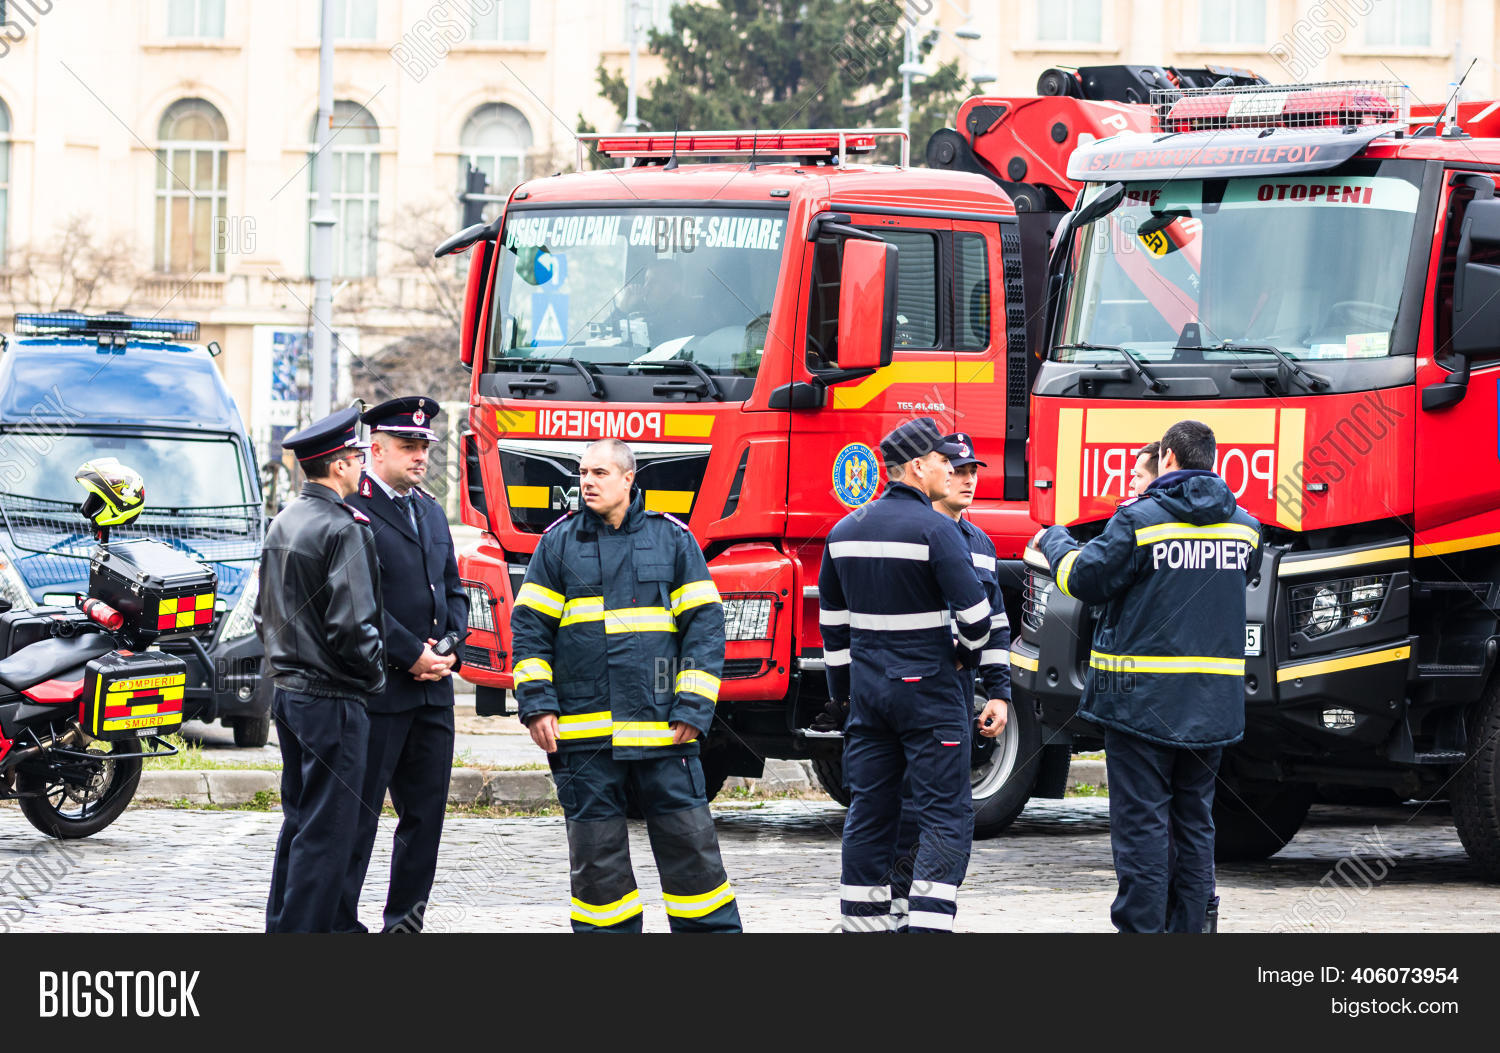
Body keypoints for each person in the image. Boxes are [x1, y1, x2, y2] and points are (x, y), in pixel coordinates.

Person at [1035, 420, 1261, 933]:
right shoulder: (1245, 527)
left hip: (1141, 707)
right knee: (1195, 824)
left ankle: (1143, 934)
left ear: (1168, 458)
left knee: (1143, 827)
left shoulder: (1139, 520)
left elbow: (1083, 579)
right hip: (1213, 709)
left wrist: (1055, 541)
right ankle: (1192, 930)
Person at [510, 438, 741, 933]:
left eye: (599, 473)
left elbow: (704, 627)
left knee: (693, 859)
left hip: (664, 734)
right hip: (585, 738)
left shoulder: (672, 540)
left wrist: (693, 704)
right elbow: (529, 629)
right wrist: (537, 703)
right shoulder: (557, 544)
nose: (587, 482)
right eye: (582, 473)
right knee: (598, 871)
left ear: (628, 478)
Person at [819, 417, 993, 934]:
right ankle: (927, 928)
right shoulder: (938, 530)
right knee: (944, 815)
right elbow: (978, 620)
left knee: (870, 813)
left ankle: (864, 928)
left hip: (869, 697)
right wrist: (966, 657)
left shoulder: (843, 531)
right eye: (942, 461)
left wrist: (844, 697)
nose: (950, 470)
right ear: (918, 467)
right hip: (931, 695)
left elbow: (833, 632)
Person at [336, 396, 469, 934]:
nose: (420, 456)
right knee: (358, 818)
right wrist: (410, 653)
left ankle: (404, 927)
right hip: (381, 692)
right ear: (376, 449)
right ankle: (341, 926)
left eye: (424, 446)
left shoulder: (431, 511)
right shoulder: (355, 511)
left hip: (433, 694)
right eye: (408, 446)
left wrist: (451, 645)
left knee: (425, 821)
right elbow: (360, 601)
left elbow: (454, 591)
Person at [257, 406, 385, 934]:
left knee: (300, 821)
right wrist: (375, 677)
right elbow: (352, 628)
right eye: (357, 457)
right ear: (338, 465)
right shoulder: (343, 528)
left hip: (289, 692)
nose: (362, 466)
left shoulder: (285, 520)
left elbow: (265, 612)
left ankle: (283, 927)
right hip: (332, 696)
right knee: (328, 832)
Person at [886, 431, 1013, 931]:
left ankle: (923, 917)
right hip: (908, 693)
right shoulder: (915, 534)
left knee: (944, 809)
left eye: (973, 471)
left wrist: (998, 692)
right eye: (958, 471)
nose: (967, 480)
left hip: (956, 697)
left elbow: (996, 623)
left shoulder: (980, 543)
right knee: (907, 810)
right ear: (933, 472)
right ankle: (905, 915)